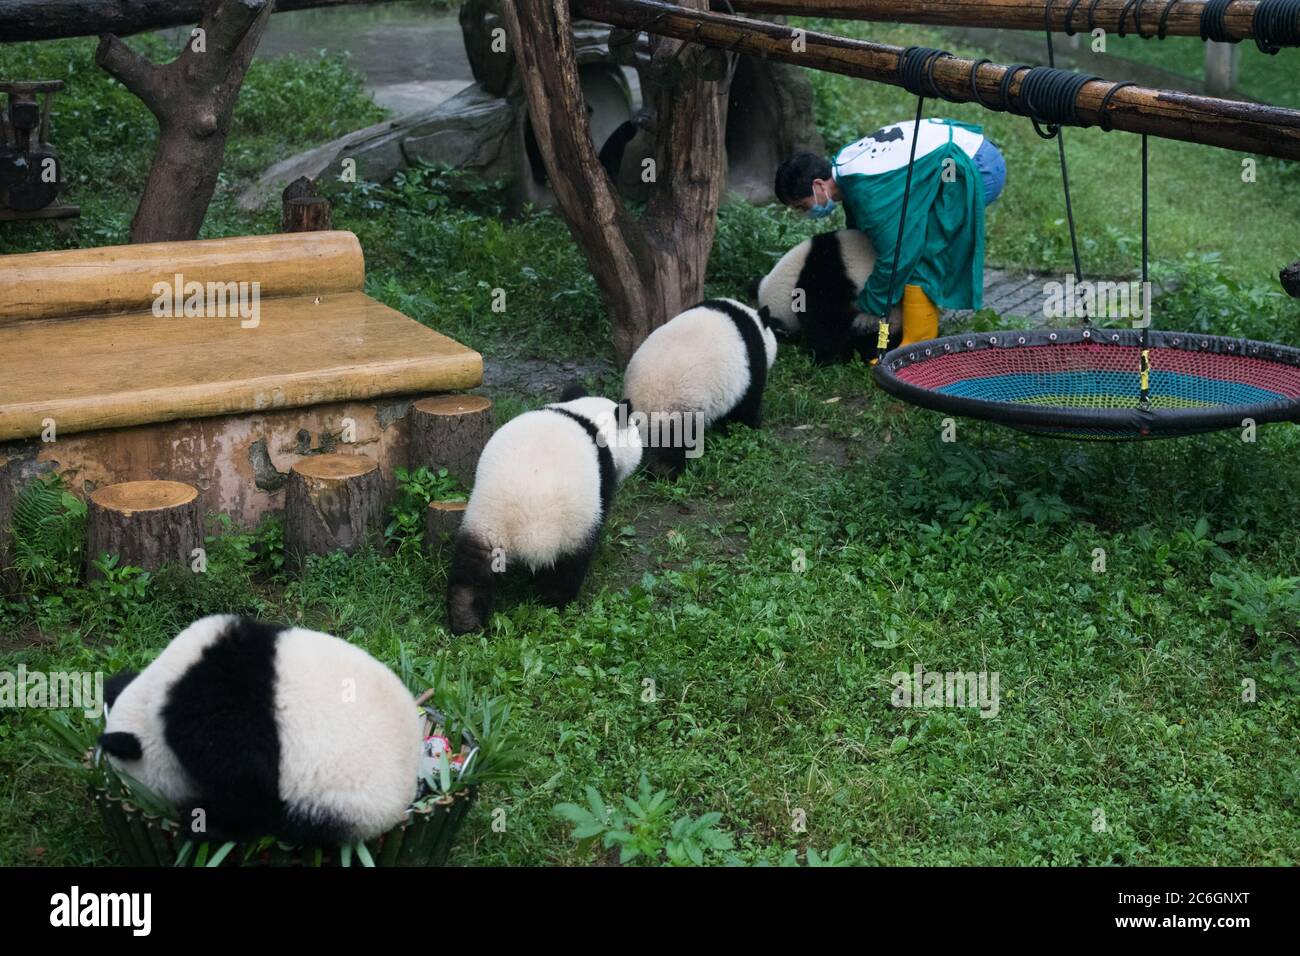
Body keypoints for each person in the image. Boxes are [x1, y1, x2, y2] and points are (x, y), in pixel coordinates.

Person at [774, 117, 1006, 349]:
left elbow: (900, 253)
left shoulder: (869, 194)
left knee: (922, 251)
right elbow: (865, 231)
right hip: (958, 151)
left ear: (818, 185)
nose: (805, 213)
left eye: (803, 206)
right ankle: (915, 319)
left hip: (970, 165)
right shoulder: (844, 169)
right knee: (904, 245)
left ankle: (917, 348)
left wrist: (871, 303)